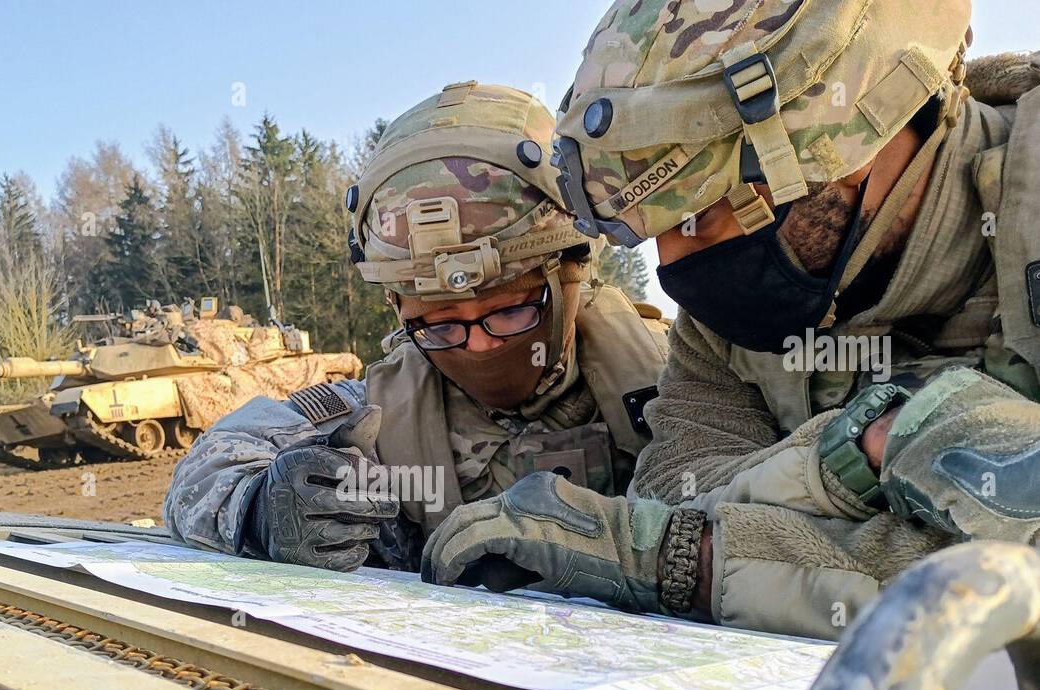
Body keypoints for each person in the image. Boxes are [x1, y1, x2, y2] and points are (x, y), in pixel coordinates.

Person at [420, 1, 1040, 639]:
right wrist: (842, 459)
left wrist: (704, 561)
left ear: (847, 147)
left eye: (704, 210)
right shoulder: (724, 327)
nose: (676, 263)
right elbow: (676, 492)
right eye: (655, 229)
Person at [164, 82, 668, 571]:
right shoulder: (378, 418)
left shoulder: (686, 382)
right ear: (400, 311)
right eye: (441, 326)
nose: (480, 344)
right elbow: (207, 469)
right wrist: (261, 509)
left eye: (509, 313)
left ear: (572, 273)